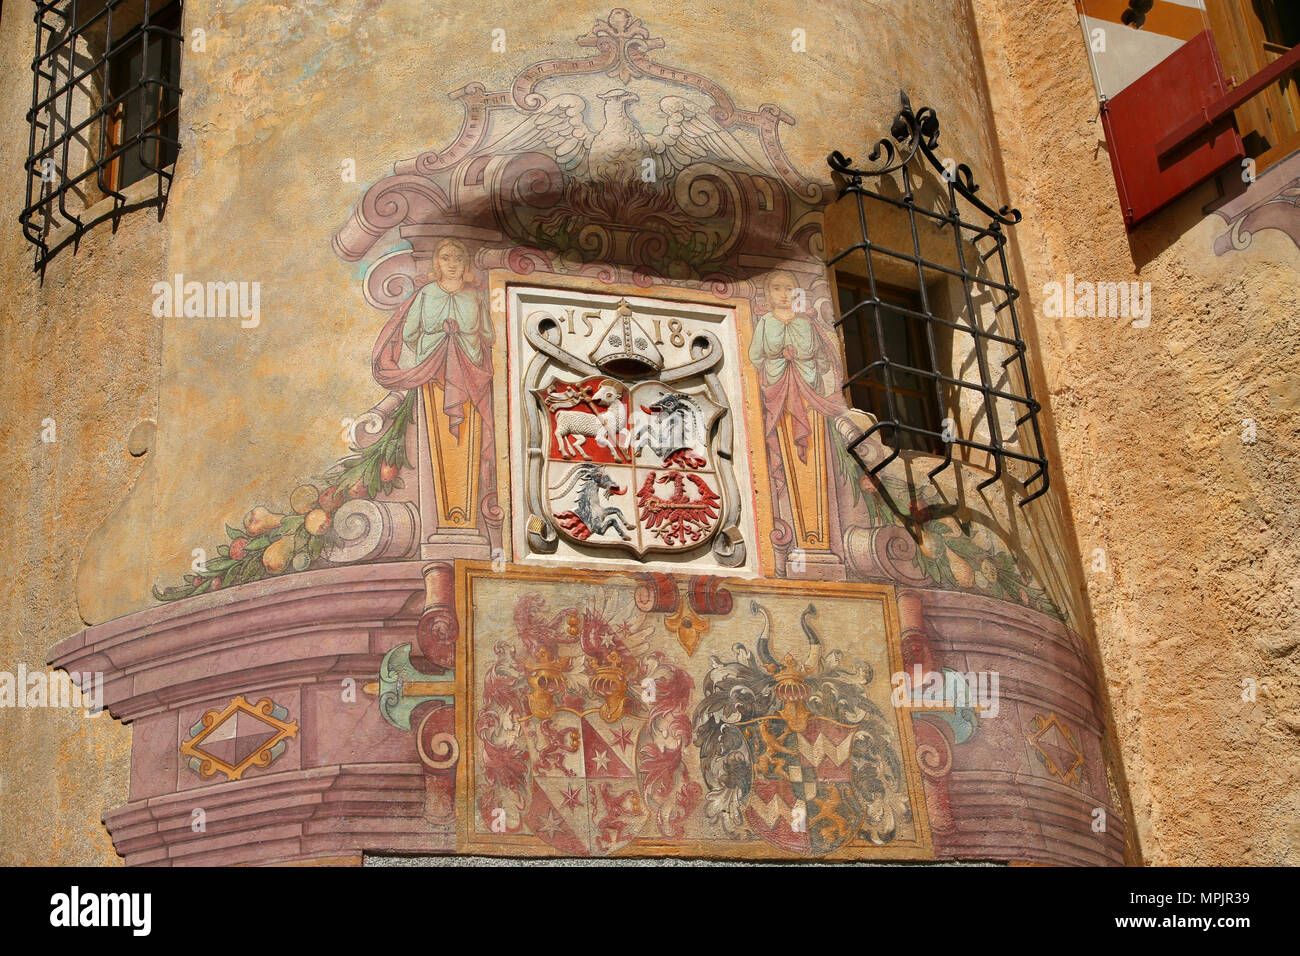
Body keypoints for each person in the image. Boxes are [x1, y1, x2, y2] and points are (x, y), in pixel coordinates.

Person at [372, 238, 495, 484]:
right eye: (445, 258)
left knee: (466, 440)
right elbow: (409, 334)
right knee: (436, 442)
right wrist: (437, 347)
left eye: (458, 258)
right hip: (432, 376)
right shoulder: (426, 294)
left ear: (466, 264)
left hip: (471, 378)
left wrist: (461, 341)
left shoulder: (476, 297)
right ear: (437, 263)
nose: (452, 264)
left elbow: (489, 336)